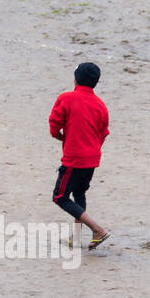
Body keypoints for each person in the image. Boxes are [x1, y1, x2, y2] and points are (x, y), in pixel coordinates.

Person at [48, 61, 111, 249]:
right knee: (79, 193)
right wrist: (91, 147)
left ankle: (97, 229)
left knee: (59, 197)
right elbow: (103, 133)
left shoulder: (66, 98)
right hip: (92, 159)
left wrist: (61, 138)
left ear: (76, 79)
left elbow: (54, 124)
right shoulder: (101, 105)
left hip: (74, 158)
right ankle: (76, 238)